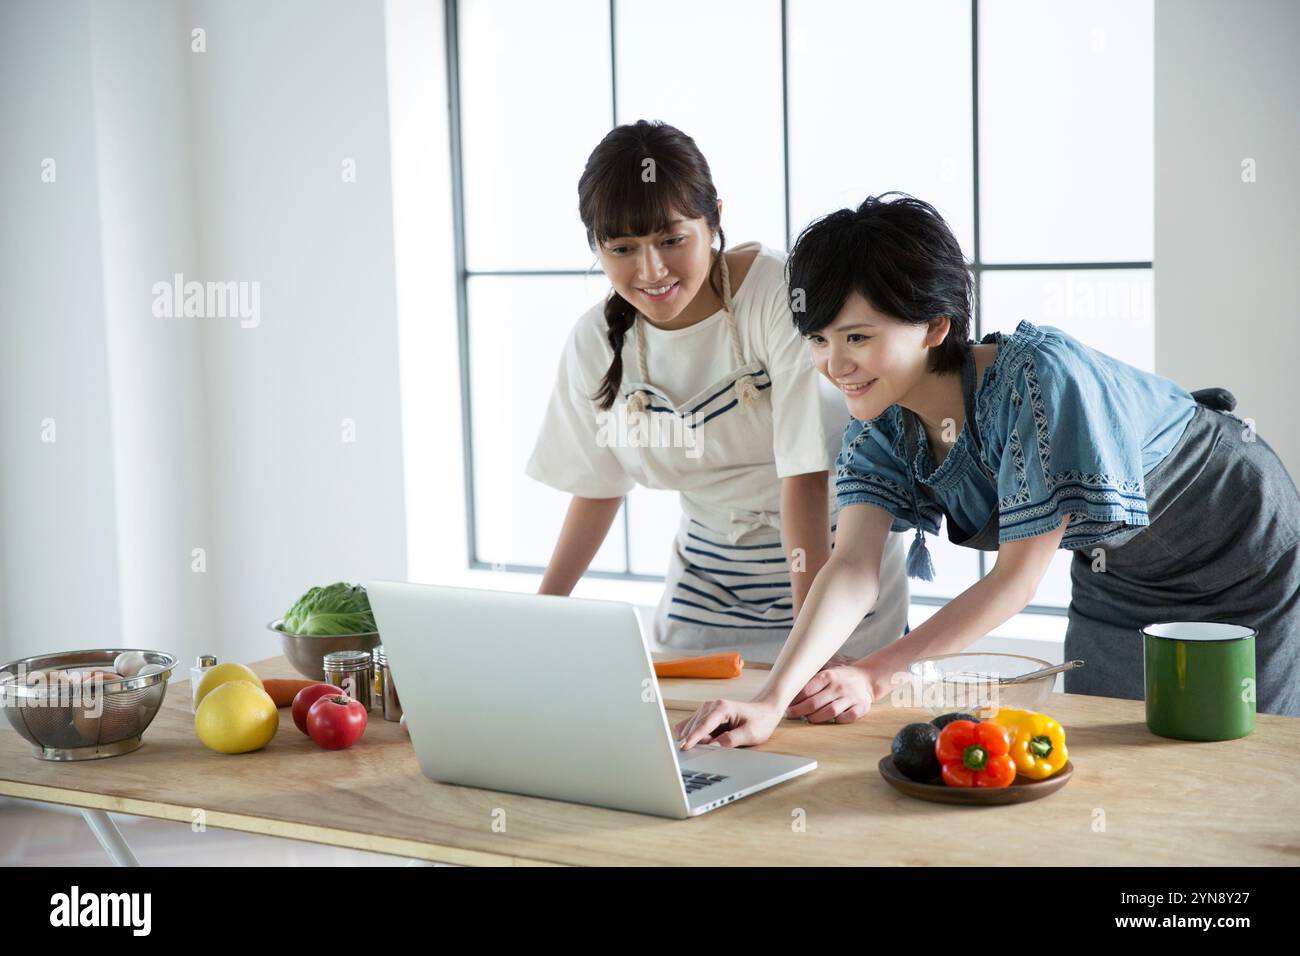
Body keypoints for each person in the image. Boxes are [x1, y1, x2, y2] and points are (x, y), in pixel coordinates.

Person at [675, 192, 1300, 748]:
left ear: (935, 325)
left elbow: (1014, 583)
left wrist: (876, 671)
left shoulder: (1039, 381)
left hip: (1236, 539)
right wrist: (770, 699)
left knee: (1244, 743)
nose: (834, 364)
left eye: (858, 338)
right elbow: (853, 566)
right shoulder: (877, 419)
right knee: (1113, 739)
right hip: (1120, 566)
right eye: (818, 339)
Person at [525, 122, 910, 663]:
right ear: (596, 246)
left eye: (671, 240)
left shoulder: (777, 294)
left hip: (830, 570)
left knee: (824, 733)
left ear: (714, 220)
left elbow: (802, 476)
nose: (651, 270)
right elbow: (597, 486)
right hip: (708, 589)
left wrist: (808, 650)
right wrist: (536, 623)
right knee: (686, 738)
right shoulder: (596, 340)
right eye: (622, 248)